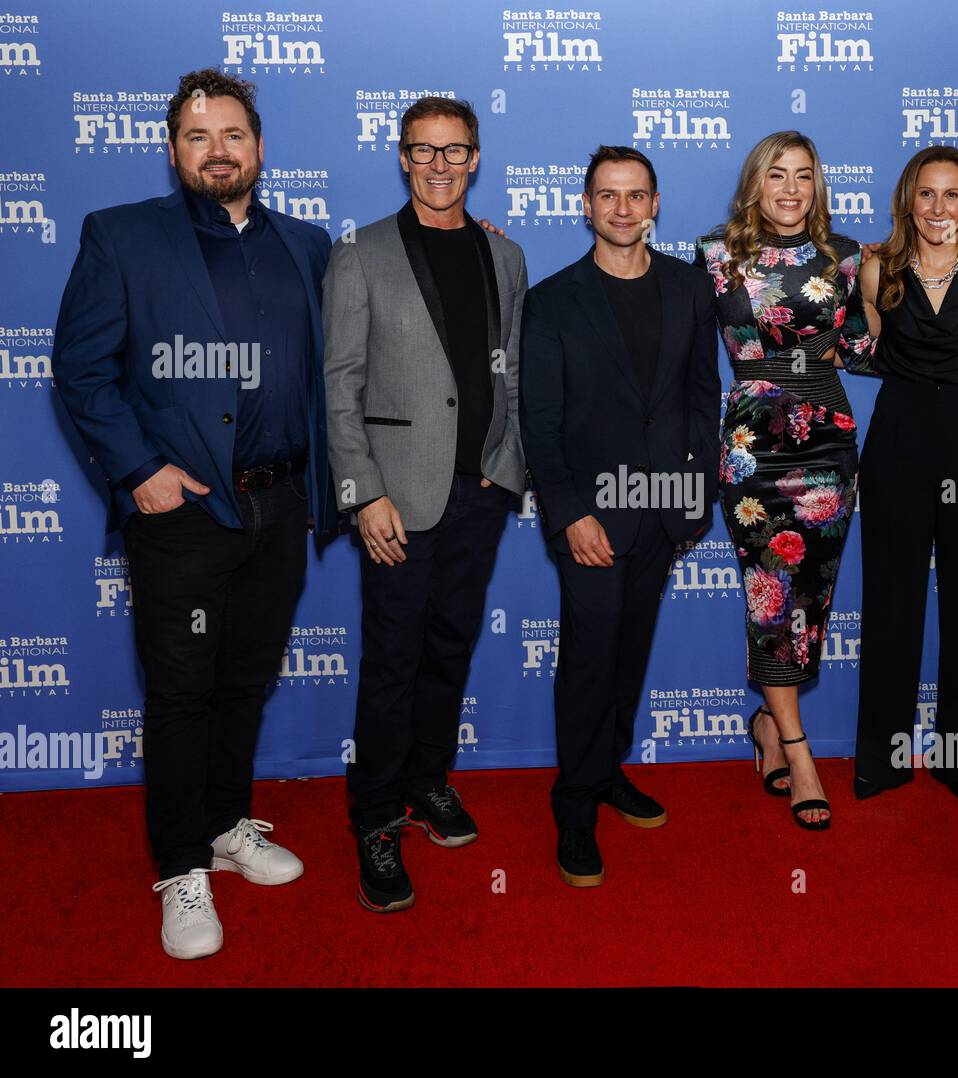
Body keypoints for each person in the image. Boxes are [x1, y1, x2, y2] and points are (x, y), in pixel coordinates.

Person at [52, 69, 335, 959]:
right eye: (198, 136)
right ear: (173, 150)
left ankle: (225, 824)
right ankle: (179, 866)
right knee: (181, 693)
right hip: (181, 514)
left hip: (281, 501)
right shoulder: (123, 236)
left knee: (246, 681)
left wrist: (465, 238)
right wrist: (141, 470)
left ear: (259, 146)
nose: (218, 150)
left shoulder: (309, 243)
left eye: (233, 135)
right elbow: (82, 370)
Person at [323, 97, 528, 911]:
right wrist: (361, 491)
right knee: (392, 660)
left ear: (476, 157)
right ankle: (375, 815)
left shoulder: (503, 255)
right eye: (424, 150)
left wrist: (505, 470)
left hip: (479, 491)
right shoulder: (361, 254)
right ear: (402, 157)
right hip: (395, 497)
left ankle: (426, 780)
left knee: (449, 647)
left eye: (456, 150)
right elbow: (338, 384)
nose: (440, 165)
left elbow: (508, 369)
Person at [521, 146, 720, 887]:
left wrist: (695, 493)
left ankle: (607, 773)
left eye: (636, 195)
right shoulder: (552, 301)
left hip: (663, 513)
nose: (623, 209)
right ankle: (573, 803)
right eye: (608, 196)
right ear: (585, 206)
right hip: (593, 521)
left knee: (631, 652)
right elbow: (539, 423)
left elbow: (704, 397)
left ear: (656, 203)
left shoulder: (689, 287)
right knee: (587, 662)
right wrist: (570, 514)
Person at [695, 131, 876, 831]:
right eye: (778, 175)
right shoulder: (716, 256)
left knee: (811, 595)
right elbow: (674, 330)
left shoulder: (845, 256)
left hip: (828, 441)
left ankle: (769, 728)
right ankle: (799, 751)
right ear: (755, 184)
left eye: (805, 175)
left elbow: (861, 350)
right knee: (768, 592)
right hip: (749, 447)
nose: (792, 188)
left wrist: (886, 287)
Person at [851, 148, 958, 801]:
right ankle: (883, 760)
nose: (939, 208)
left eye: (953, 195)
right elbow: (857, 351)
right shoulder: (878, 267)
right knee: (890, 605)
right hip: (899, 443)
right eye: (927, 194)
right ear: (907, 200)